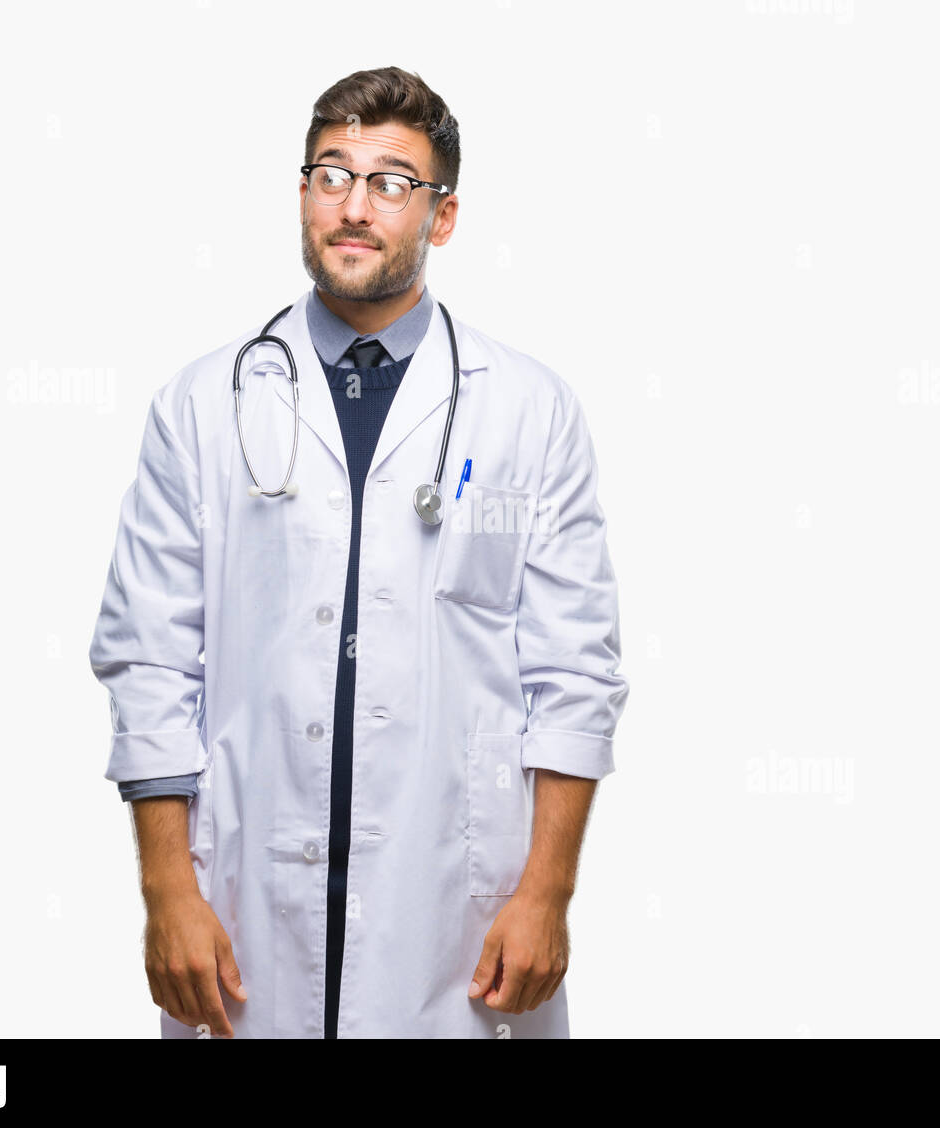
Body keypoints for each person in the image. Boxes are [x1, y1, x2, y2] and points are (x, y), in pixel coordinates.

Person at [88, 65, 628, 1038]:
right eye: (331, 173)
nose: (353, 205)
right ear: (301, 193)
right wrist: (168, 892)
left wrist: (547, 892)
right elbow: (149, 659)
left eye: (391, 181)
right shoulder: (203, 404)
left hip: (453, 914)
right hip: (247, 901)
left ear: (443, 217)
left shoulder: (527, 409)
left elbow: (574, 672)